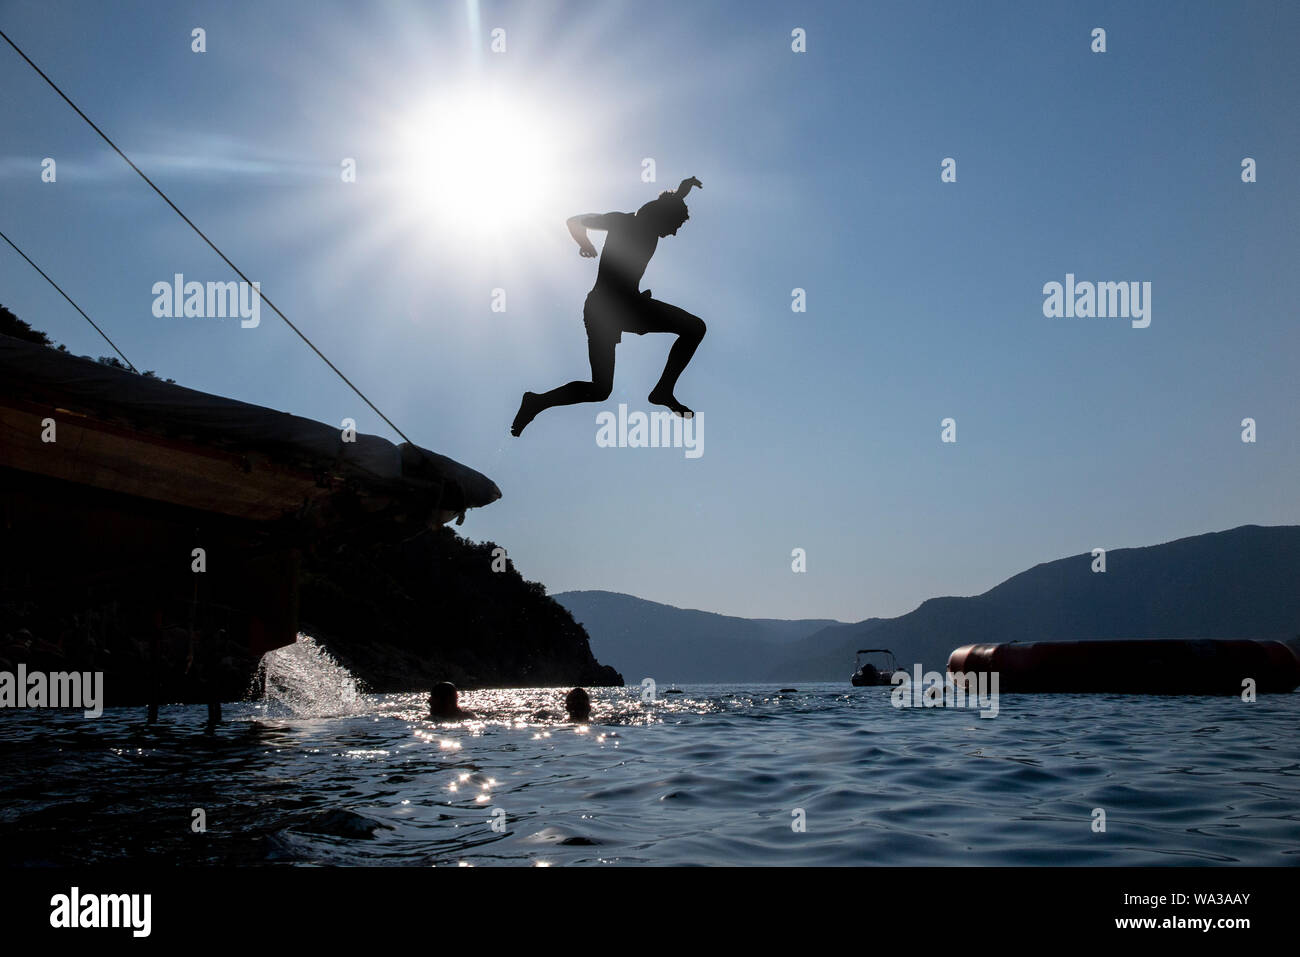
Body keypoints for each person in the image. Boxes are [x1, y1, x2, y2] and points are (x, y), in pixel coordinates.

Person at [511, 176, 707, 436]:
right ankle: (536, 403)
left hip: (608, 309)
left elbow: (664, 204)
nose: (673, 233)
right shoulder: (623, 221)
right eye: (675, 226)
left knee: (602, 388)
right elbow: (574, 221)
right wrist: (585, 244)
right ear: (663, 216)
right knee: (602, 389)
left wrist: (683, 190)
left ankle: (537, 402)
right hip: (615, 309)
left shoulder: (644, 219)